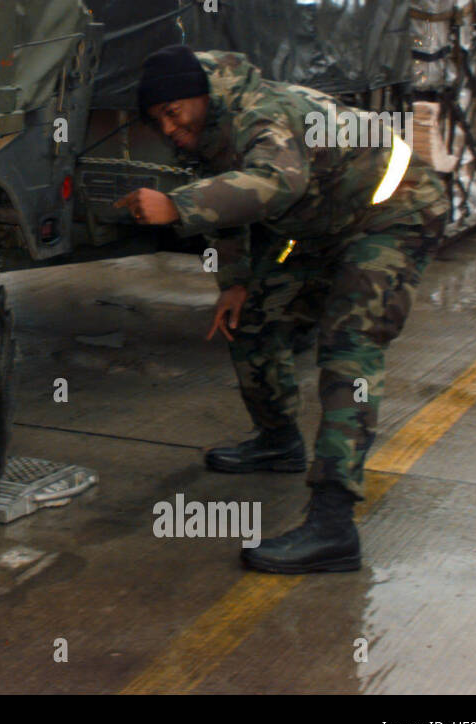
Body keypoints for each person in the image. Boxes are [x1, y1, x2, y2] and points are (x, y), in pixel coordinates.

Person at [116, 45, 448, 574]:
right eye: (160, 122)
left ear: (200, 95)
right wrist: (237, 281)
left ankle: (334, 524)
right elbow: (233, 209)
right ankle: (278, 441)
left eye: (173, 113)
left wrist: (177, 205)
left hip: (395, 212)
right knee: (253, 318)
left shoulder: (260, 112)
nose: (171, 130)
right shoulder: (212, 132)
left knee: (348, 348)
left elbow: (275, 183)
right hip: (320, 225)